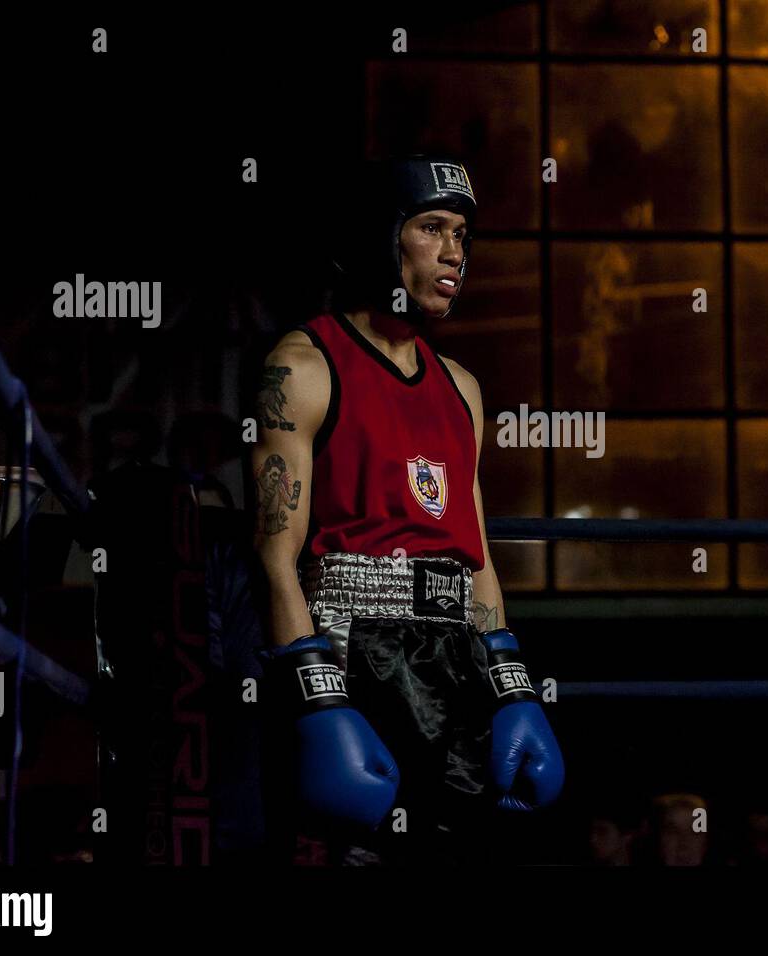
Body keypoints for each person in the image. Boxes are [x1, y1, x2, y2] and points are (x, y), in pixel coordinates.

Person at [250, 156, 564, 864]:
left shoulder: (462, 388)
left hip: (456, 661)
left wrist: (513, 685)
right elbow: (274, 556)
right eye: (432, 228)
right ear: (380, 238)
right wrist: (318, 697)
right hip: (354, 652)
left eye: (462, 234)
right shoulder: (302, 366)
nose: (455, 252)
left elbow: (477, 558)